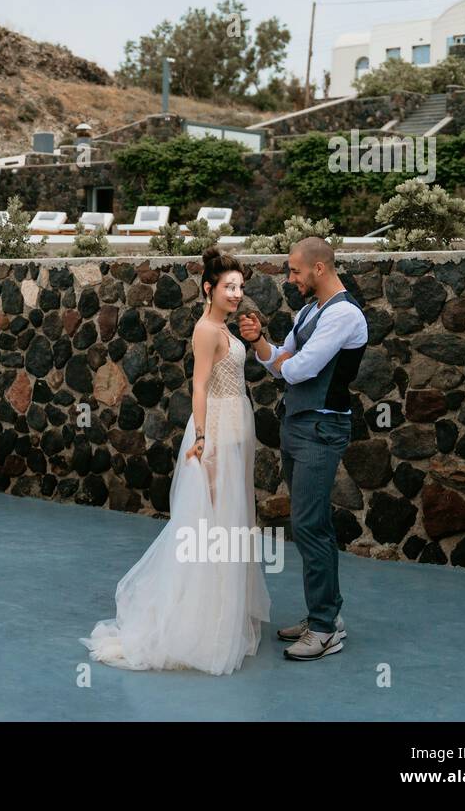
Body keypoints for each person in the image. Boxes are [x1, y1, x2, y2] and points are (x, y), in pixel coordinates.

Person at [80, 247, 271, 676]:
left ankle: (225, 612)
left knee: (232, 522)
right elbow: (199, 387)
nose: (237, 293)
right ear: (210, 289)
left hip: (235, 427)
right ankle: (204, 619)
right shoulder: (207, 330)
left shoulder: (225, 326)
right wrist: (203, 437)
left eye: (241, 286)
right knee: (214, 524)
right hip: (219, 430)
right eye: (230, 287)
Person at [238, 236, 367, 662]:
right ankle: (322, 615)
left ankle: (327, 627)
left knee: (310, 525)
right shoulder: (310, 311)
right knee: (309, 523)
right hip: (299, 426)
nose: (289, 278)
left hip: (322, 428)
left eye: (294, 270)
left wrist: (281, 361)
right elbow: (280, 358)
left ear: (319, 269)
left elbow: (299, 368)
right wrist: (260, 342)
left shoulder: (344, 315)